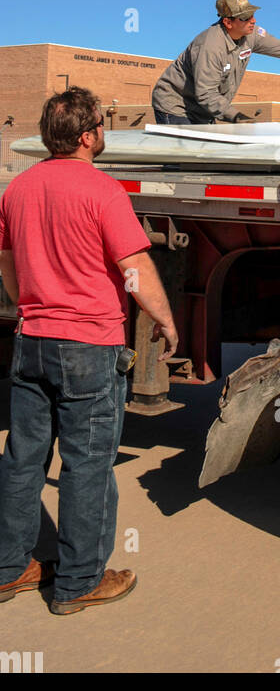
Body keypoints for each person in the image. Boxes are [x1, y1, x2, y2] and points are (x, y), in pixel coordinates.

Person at [0, 87, 179, 614]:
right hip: (88, 345)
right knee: (87, 465)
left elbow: (7, 263)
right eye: (102, 124)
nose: (105, 131)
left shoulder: (18, 189)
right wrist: (166, 320)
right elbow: (134, 267)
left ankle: (10, 569)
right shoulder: (103, 191)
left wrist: (30, 305)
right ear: (87, 135)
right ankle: (78, 582)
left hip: (31, 341)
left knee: (22, 461)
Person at [151, 0, 280, 126]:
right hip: (176, 106)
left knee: (202, 161)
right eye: (245, 17)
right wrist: (234, 116)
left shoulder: (251, 36)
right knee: (184, 163)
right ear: (228, 22)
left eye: (252, 14)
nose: (252, 20)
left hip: (204, 108)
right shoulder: (210, 46)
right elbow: (206, 94)